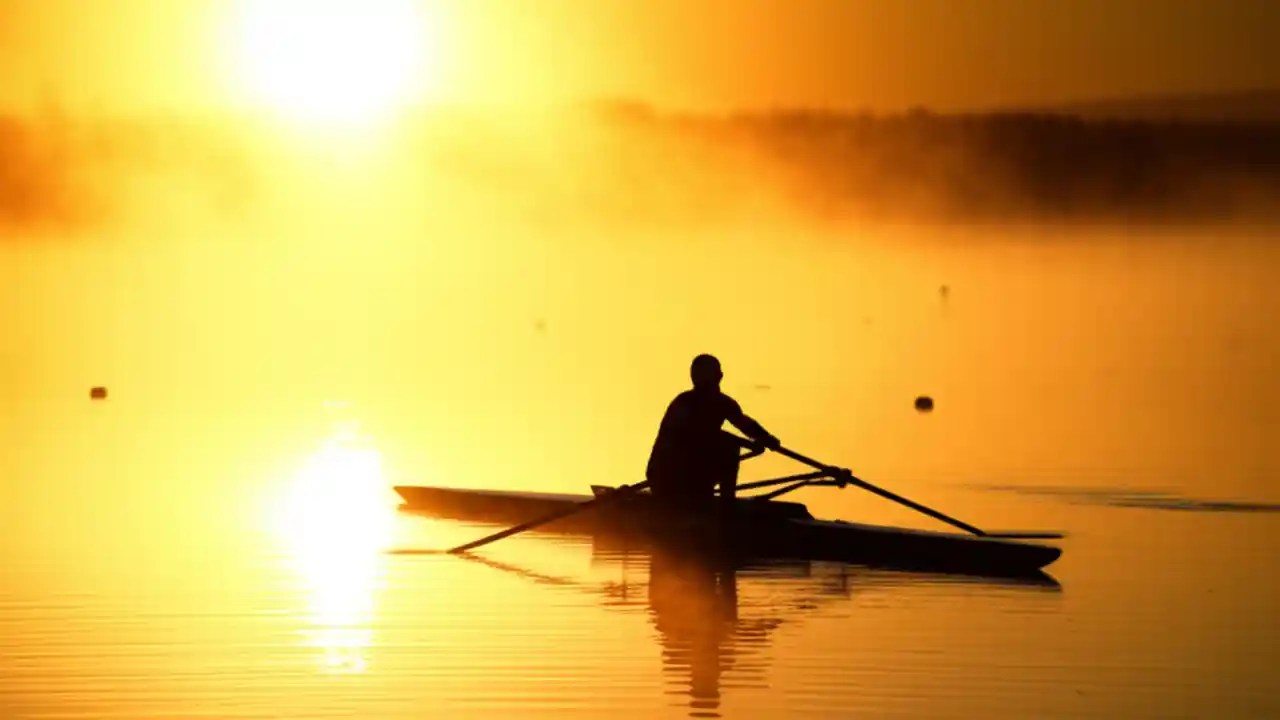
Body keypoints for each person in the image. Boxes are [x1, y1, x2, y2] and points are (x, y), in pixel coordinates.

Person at [646, 354, 780, 514]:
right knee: (729, 447)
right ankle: (726, 507)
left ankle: (720, 505)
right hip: (666, 477)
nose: (718, 378)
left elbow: (744, 423)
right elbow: (702, 436)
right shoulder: (684, 404)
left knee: (726, 446)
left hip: (691, 474)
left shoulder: (723, 403)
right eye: (713, 375)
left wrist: (767, 438)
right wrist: (748, 444)